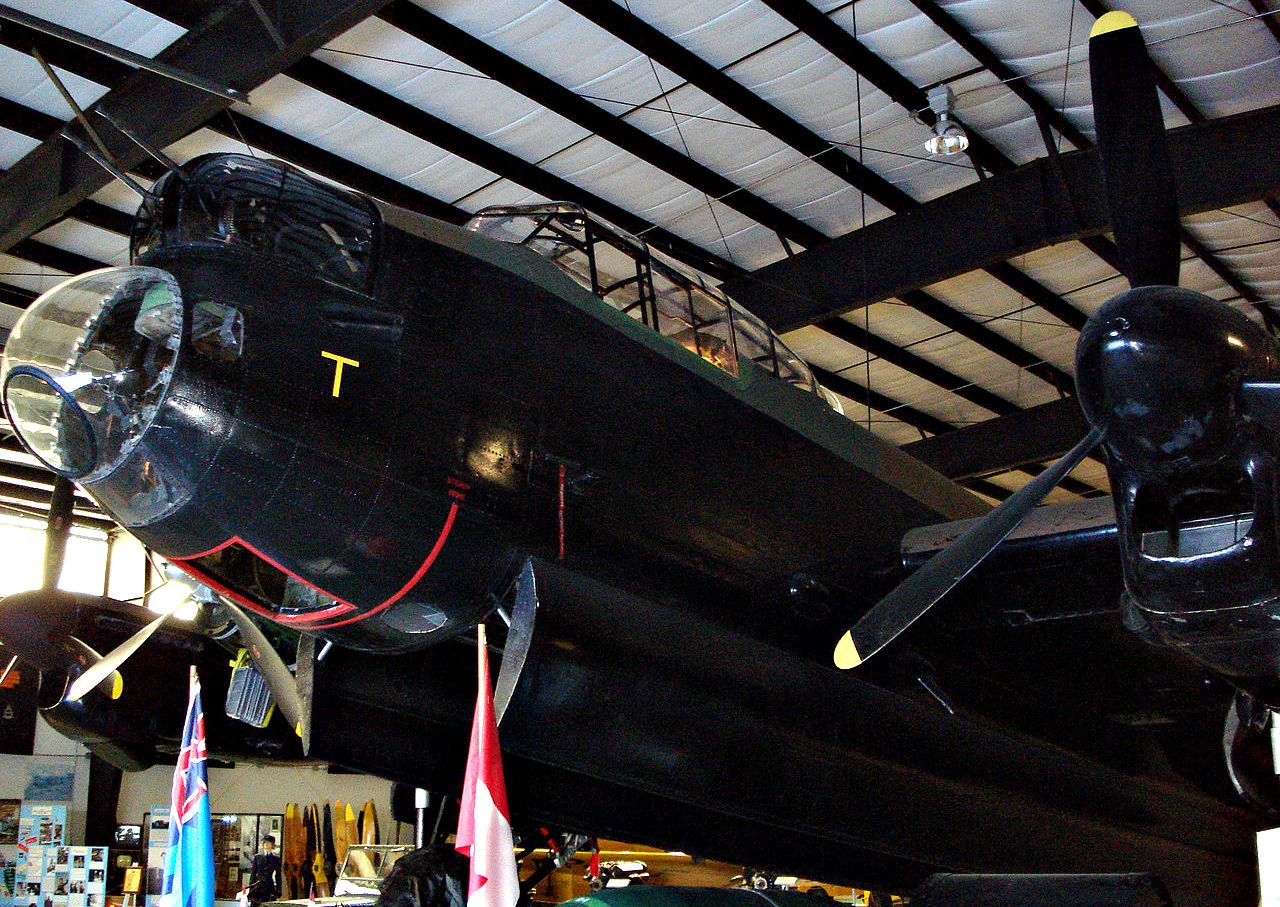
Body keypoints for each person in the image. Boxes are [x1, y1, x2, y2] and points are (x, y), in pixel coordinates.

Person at [247, 836, 282, 907]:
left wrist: (278, 890)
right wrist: (251, 888)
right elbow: (253, 874)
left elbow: (278, 876)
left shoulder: (276, 859)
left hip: (269, 886)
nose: (266, 844)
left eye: (268, 843)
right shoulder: (258, 857)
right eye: (265, 842)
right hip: (258, 886)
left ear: (272, 845)